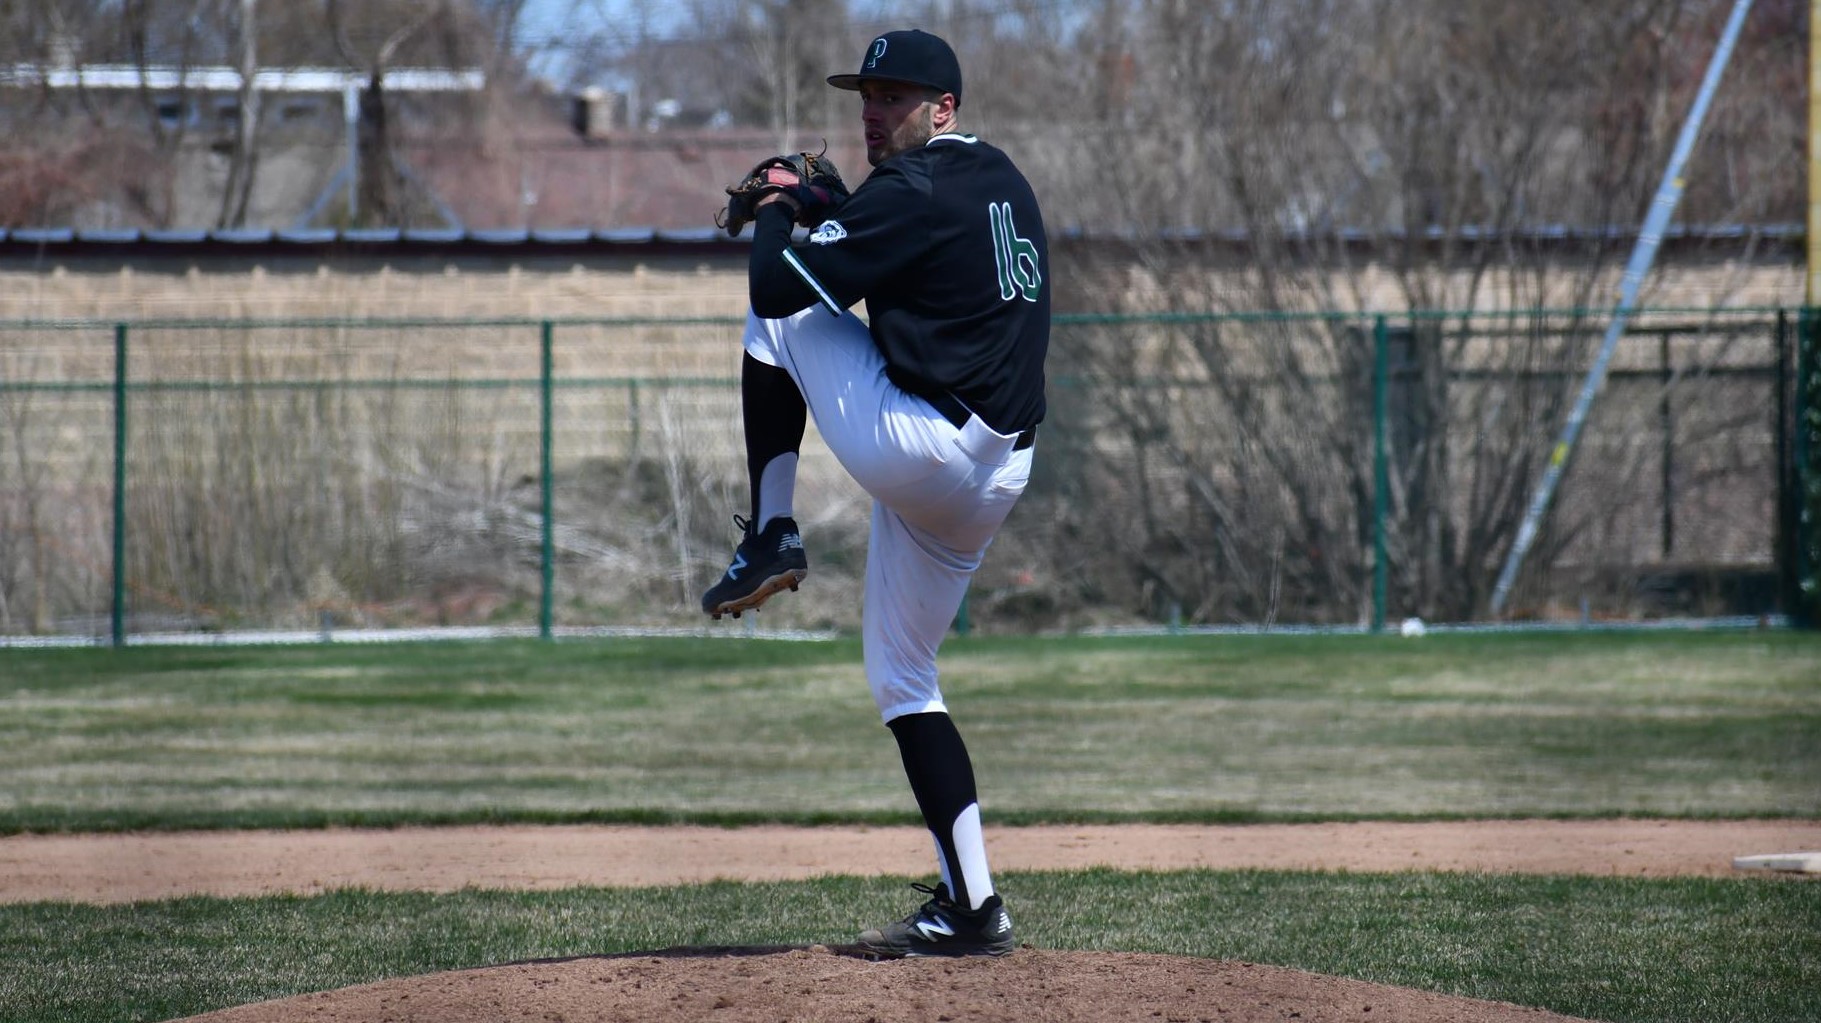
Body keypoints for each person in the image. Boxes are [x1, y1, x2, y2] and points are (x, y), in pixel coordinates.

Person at [699, 28, 1049, 958]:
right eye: (867, 93)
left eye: (895, 96)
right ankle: (972, 906)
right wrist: (831, 209)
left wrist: (782, 209)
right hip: (995, 471)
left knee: (771, 317)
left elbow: (781, 284)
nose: (872, 110)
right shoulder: (995, 175)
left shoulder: (916, 184)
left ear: (943, 109)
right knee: (904, 678)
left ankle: (771, 530)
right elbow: (902, 247)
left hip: (927, 451)